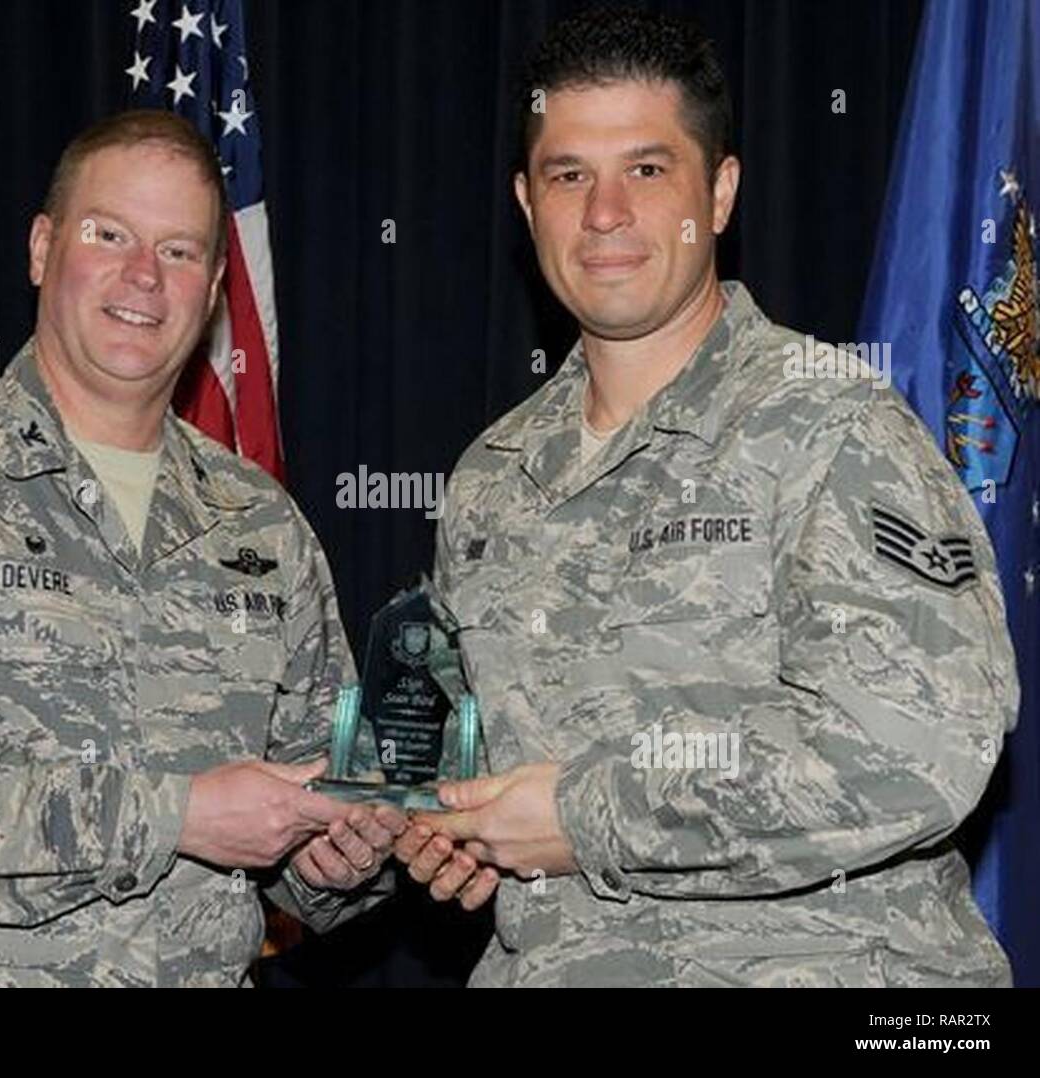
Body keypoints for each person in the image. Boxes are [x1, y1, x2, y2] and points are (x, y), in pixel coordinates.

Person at [394, 7, 1018, 987]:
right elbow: (511, 767)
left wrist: (581, 815)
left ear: (718, 192)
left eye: (646, 170)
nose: (604, 214)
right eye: (569, 175)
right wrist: (470, 829)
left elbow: (913, 750)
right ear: (526, 203)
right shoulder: (491, 478)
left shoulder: (832, 424)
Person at [0, 110, 403, 987]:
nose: (143, 276)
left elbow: (325, 790)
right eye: (110, 234)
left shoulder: (260, 523)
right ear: (42, 247)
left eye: (180, 251)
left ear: (216, 285)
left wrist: (341, 856)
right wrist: (172, 817)